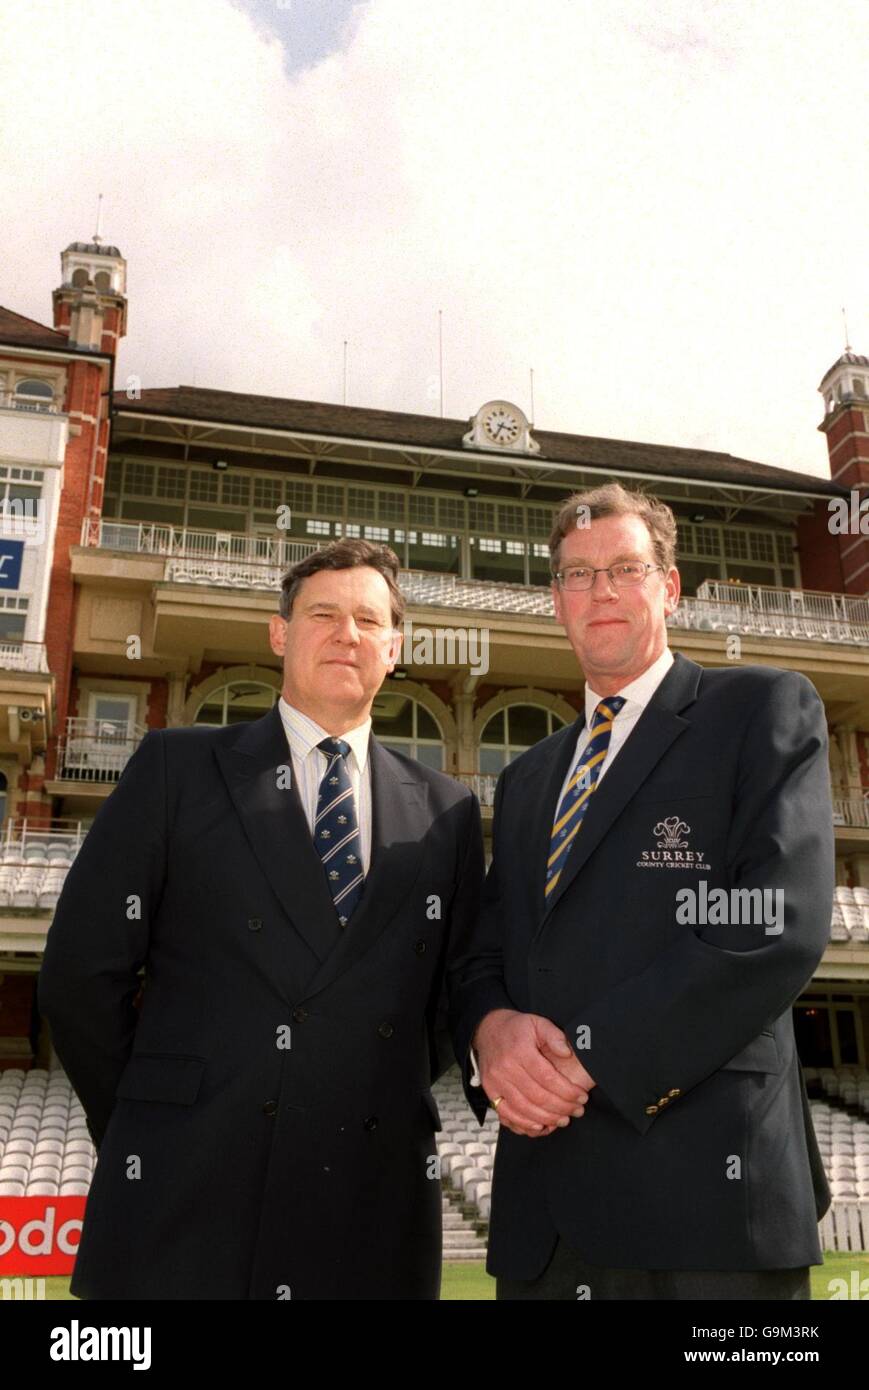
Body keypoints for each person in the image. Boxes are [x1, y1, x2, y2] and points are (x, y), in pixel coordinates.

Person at [39, 539, 484, 1300]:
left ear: (393, 647)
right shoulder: (177, 769)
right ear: (280, 634)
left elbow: (450, 997)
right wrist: (157, 1120)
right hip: (187, 1193)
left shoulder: (446, 811)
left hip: (368, 1201)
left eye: (367, 620)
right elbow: (82, 971)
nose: (347, 634)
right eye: (323, 614)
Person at [449, 482, 833, 1300]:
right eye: (577, 575)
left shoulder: (758, 709)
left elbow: (772, 921)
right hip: (546, 1221)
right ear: (556, 600)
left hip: (707, 1214)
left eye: (624, 568)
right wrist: (491, 1034)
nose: (601, 592)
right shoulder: (526, 778)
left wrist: (587, 1052)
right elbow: (485, 950)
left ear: (668, 585)